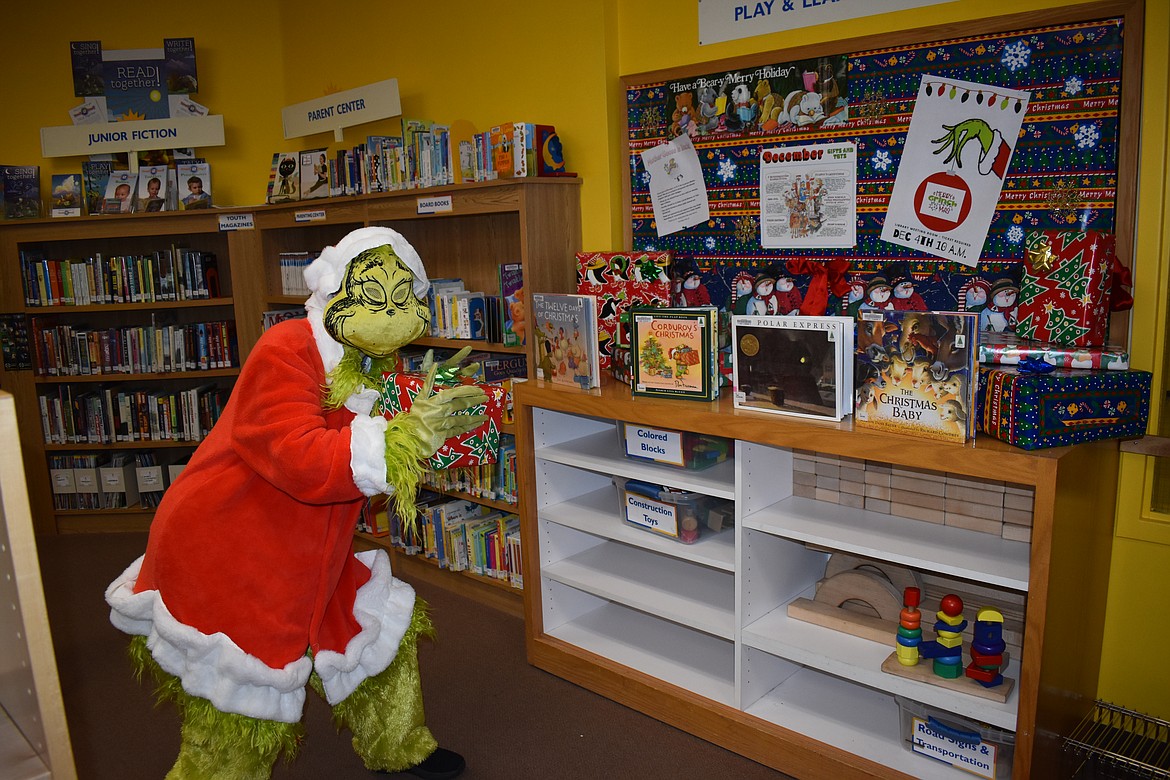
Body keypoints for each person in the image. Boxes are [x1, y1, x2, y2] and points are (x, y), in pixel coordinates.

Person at [106, 227, 484, 779]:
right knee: (238, 704)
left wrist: (439, 431)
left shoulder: (367, 366)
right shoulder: (285, 347)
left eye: (404, 300)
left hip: (310, 545)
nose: (394, 316)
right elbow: (295, 455)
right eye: (376, 297)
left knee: (375, 634)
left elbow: (362, 461)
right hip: (234, 546)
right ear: (335, 293)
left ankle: (399, 748)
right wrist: (398, 442)